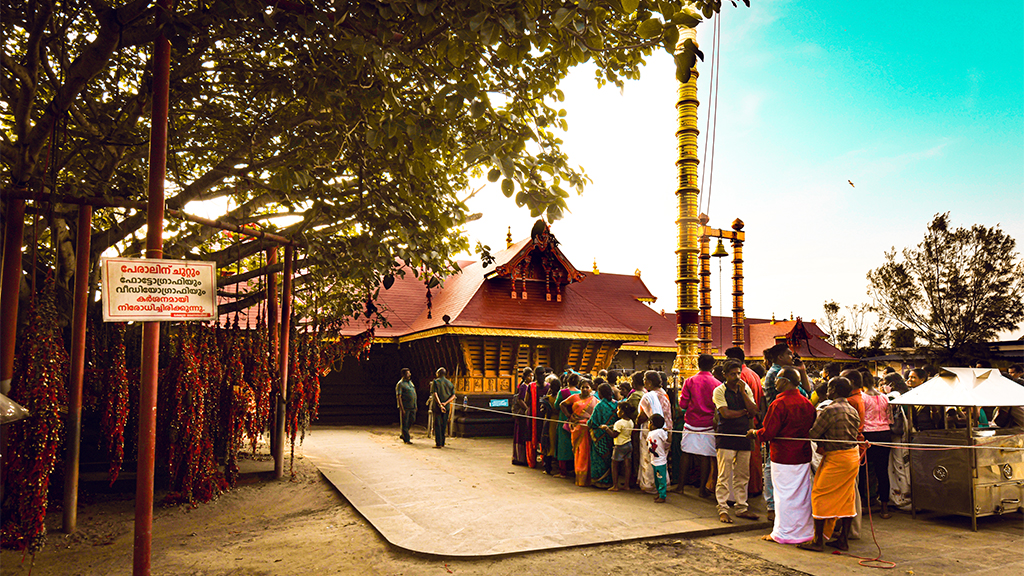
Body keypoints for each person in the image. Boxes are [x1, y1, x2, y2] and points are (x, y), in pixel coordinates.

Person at [749, 367, 816, 545]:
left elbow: (769, 432)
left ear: (786, 381)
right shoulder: (807, 402)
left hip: (783, 455)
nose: (774, 382)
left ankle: (784, 533)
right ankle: (804, 531)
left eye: (777, 379)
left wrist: (756, 434)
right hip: (802, 454)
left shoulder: (779, 404)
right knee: (801, 495)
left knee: (784, 496)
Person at [798, 377, 861, 553]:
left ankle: (818, 540)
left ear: (832, 390)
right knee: (847, 497)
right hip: (851, 456)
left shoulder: (830, 409)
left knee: (819, 494)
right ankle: (843, 540)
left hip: (837, 457)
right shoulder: (851, 409)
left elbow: (814, 433)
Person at [713, 360, 760, 523]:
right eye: (733, 374)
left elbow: (754, 411)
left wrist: (743, 394)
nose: (736, 377)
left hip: (744, 435)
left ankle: (741, 507)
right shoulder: (719, 391)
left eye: (738, 373)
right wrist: (743, 412)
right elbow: (725, 413)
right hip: (726, 435)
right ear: (725, 375)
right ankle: (723, 508)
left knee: (742, 474)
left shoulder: (744, 388)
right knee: (724, 475)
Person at [677, 354, 718, 497]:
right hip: (708, 423)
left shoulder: (690, 381)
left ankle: (681, 487)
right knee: (706, 455)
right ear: (713, 365)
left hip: (691, 422)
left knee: (686, 453)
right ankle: (702, 489)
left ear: (697, 364)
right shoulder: (717, 384)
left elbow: (683, 404)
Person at [726, 346, 764, 497]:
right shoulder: (753, 373)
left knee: (744, 460)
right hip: (753, 419)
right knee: (754, 456)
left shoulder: (739, 377)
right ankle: (755, 486)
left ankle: (748, 489)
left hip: (743, 421)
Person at [860, 371, 893, 518]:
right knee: (882, 471)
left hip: (868, 434)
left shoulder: (862, 398)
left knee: (863, 471)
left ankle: (864, 504)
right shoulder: (884, 397)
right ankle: (884, 507)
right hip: (885, 434)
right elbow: (890, 419)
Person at [637, 370, 672, 493]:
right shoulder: (664, 394)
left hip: (652, 431)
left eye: (645, 380)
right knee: (662, 459)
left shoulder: (649, 397)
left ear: (650, 382)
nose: (644, 382)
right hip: (665, 431)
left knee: (649, 457)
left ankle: (650, 484)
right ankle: (663, 484)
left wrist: (637, 420)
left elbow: (643, 416)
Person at [587, 383, 619, 488]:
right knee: (609, 458)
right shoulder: (616, 404)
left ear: (600, 394)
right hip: (613, 435)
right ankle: (609, 480)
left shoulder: (599, 406)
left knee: (599, 459)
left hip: (600, 437)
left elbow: (592, 422)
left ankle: (600, 481)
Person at [568, 380, 599, 487]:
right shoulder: (575, 397)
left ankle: (587, 478)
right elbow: (562, 405)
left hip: (588, 429)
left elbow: (597, 413)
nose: (585, 389)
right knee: (579, 452)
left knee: (586, 453)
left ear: (591, 388)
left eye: (587, 387)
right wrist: (569, 417)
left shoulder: (594, 400)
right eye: (583, 387)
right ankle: (579, 478)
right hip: (577, 429)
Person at [601, 403, 635, 491]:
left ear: (622, 412)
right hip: (628, 444)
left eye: (618, 410)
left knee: (614, 465)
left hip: (620, 445)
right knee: (627, 465)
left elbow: (614, 435)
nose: (617, 411)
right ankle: (626, 485)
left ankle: (615, 485)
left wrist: (606, 428)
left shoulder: (619, 423)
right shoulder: (631, 421)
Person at [554, 373, 582, 478]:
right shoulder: (580, 393)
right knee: (574, 444)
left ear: (567, 381)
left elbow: (557, 406)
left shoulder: (563, 392)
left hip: (563, 420)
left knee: (563, 445)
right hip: (576, 421)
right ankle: (574, 469)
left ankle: (563, 471)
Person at [512, 367, 534, 465]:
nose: (531, 378)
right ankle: (519, 457)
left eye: (532, 376)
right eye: (529, 376)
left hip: (526, 414)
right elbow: (520, 399)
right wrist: (527, 409)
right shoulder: (523, 387)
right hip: (522, 415)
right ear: (525, 377)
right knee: (520, 435)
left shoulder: (530, 386)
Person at [647, 413, 670, 503]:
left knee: (661, 479)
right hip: (654, 460)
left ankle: (662, 495)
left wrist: (669, 432)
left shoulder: (660, 432)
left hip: (660, 461)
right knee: (656, 479)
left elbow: (667, 441)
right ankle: (659, 493)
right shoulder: (650, 433)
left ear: (651, 423)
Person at [430, 368, 455, 448]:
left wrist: (440, 404)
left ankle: (438, 443)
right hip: (447, 407)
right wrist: (446, 403)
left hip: (437, 407)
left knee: (437, 424)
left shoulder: (435, 382)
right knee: (444, 424)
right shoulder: (450, 383)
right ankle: (443, 442)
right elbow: (453, 396)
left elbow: (435, 393)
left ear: (438, 374)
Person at [395, 368, 417, 444]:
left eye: (409, 373)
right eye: (408, 373)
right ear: (403, 375)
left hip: (412, 406)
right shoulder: (400, 384)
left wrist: (415, 405)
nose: (409, 375)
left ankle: (403, 434)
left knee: (412, 420)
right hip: (405, 407)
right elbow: (399, 397)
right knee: (405, 422)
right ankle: (407, 439)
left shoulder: (411, 383)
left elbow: (414, 394)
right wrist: (402, 408)